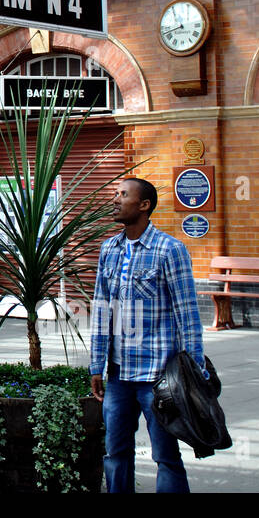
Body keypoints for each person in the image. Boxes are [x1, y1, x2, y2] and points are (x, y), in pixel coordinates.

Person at [89, 177, 207, 494]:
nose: (115, 200)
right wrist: (96, 365)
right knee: (115, 453)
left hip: (158, 378)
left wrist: (195, 373)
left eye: (123, 194)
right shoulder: (109, 249)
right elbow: (101, 310)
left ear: (144, 205)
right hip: (118, 377)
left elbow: (187, 315)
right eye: (115, 193)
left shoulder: (170, 250)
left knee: (166, 456)